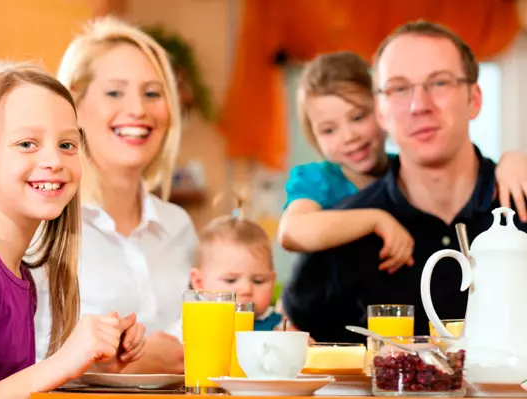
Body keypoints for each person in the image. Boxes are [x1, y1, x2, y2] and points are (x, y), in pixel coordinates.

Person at [281, 20, 527, 342]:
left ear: (474, 99)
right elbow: (297, 345)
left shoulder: (519, 192)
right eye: (399, 88)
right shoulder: (346, 228)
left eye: (439, 83)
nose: (419, 105)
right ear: (381, 112)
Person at [0, 65, 144, 397]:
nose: (54, 160)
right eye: (27, 143)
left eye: (67, 144)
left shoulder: (16, 273)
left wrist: (86, 363)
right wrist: (61, 363)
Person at [34, 16, 197, 374]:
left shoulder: (179, 227)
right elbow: (18, 359)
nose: (138, 109)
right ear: (74, 102)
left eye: (153, 93)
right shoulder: (41, 226)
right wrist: (126, 365)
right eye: (114, 92)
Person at [279, 51, 527, 272]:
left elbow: (466, 177)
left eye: (357, 117)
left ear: (383, 112)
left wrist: (511, 160)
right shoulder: (317, 179)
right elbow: (292, 232)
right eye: (329, 130)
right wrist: (375, 220)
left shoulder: (409, 170)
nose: (348, 136)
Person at [190, 197, 282, 331]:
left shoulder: (279, 327)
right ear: (199, 282)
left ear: (273, 281)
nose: (246, 290)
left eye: (258, 281)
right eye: (231, 280)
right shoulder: (191, 324)